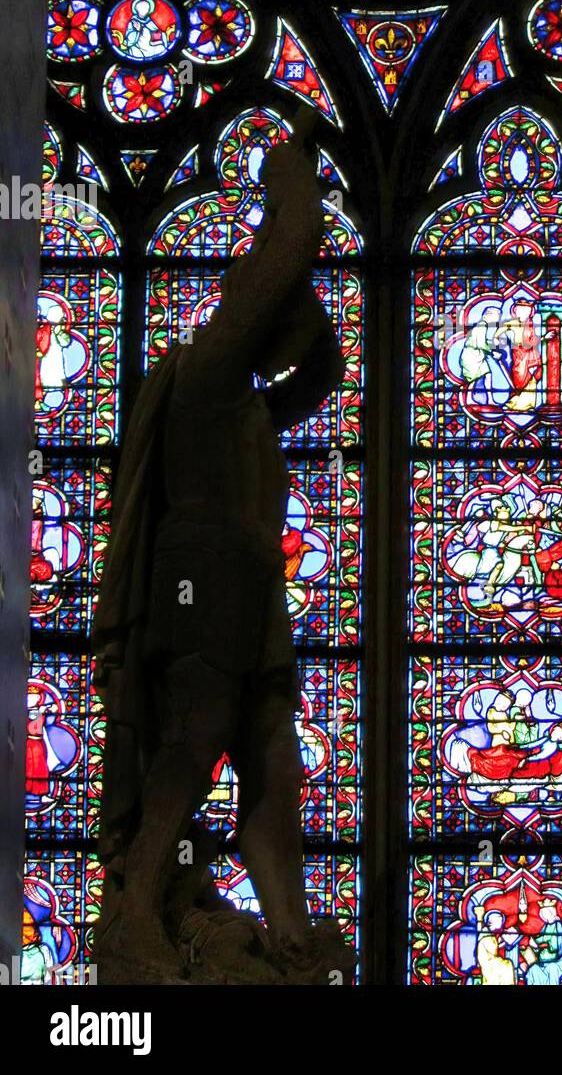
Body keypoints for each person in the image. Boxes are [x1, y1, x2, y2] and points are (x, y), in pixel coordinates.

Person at [91, 122, 354, 983]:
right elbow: (288, 255)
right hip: (197, 576)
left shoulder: (244, 409)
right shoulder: (206, 374)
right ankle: (135, 906)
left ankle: (287, 926)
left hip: (249, 576)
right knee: (198, 725)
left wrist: (311, 324)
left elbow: (324, 376)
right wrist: (289, 185)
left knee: (272, 749)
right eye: (282, 313)